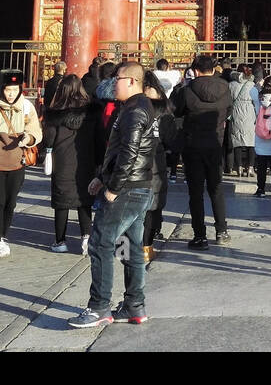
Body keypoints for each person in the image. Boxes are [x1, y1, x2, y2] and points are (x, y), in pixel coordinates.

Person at [70, 62, 159, 328]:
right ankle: (134, 304)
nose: (113, 83)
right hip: (138, 185)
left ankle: (99, 307)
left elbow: (129, 153)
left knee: (101, 243)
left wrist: (113, 187)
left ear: (131, 81)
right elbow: (119, 150)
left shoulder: (135, 111)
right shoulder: (136, 108)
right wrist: (102, 177)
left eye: (118, 79)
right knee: (130, 248)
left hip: (128, 188)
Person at [170, 53, 232, 248]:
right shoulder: (225, 88)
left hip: (193, 145)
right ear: (213, 69)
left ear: (195, 71)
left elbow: (176, 111)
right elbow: (229, 111)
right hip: (215, 143)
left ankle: (200, 236)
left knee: (195, 192)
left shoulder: (187, 91)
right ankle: (222, 231)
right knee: (216, 189)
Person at [0, 69, 43, 259]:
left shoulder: (27, 107)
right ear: (1, 89)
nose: (11, 94)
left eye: (15, 90)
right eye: (8, 90)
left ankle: (3, 236)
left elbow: (36, 131)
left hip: (17, 160)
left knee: (10, 202)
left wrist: (29, 138)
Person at [45, 72, 96, 254]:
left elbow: (49, 139)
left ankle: (60, 242)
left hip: (63, 160)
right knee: (84, 200)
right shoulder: (91, 112)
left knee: (62, 202)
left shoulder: (55, 113)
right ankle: (86, 239)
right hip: (85, 159)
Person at [142, 71, 177, 264]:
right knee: (152, 206)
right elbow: (171, 139)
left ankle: (124, 249)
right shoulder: (163, 111)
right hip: (155, 161)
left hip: (131, 163)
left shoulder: (129, 107)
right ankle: (146, 247)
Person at [253, 77, 271, 196]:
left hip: (260, 138)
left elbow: (252, 91)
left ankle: (261, 189)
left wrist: (258, 84)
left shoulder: (258, 99)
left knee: (261, 167)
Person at [228, 65, 257, 177]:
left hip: (236, 111)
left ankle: (239, 167)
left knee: (237, 141)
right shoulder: (252, 85)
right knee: (251, 141)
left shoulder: (231, 85)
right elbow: (256, 100)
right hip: (249, 111)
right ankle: (250, 167)